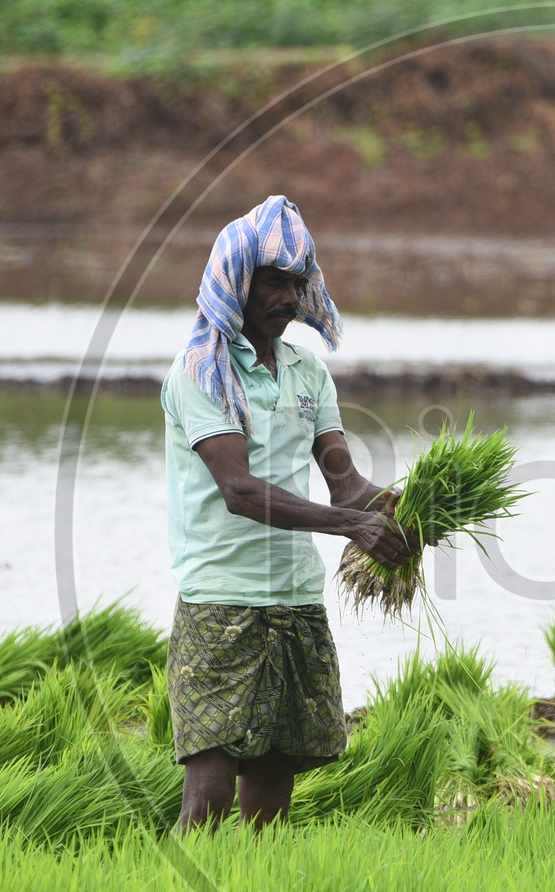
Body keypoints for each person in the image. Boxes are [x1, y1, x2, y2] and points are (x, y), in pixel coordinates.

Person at [161, 195, 413, 833]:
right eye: (274, 283)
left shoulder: (308, 373)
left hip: (296, 596)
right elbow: (239, 491)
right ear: (239, 282)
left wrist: (411, 509)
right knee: (211, 780)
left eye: (298, 284)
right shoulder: (202, 374)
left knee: (274, 776)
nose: (290, 299)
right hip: (222, 596)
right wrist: (353, 528)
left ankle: (261, 891)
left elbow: (346, 486)